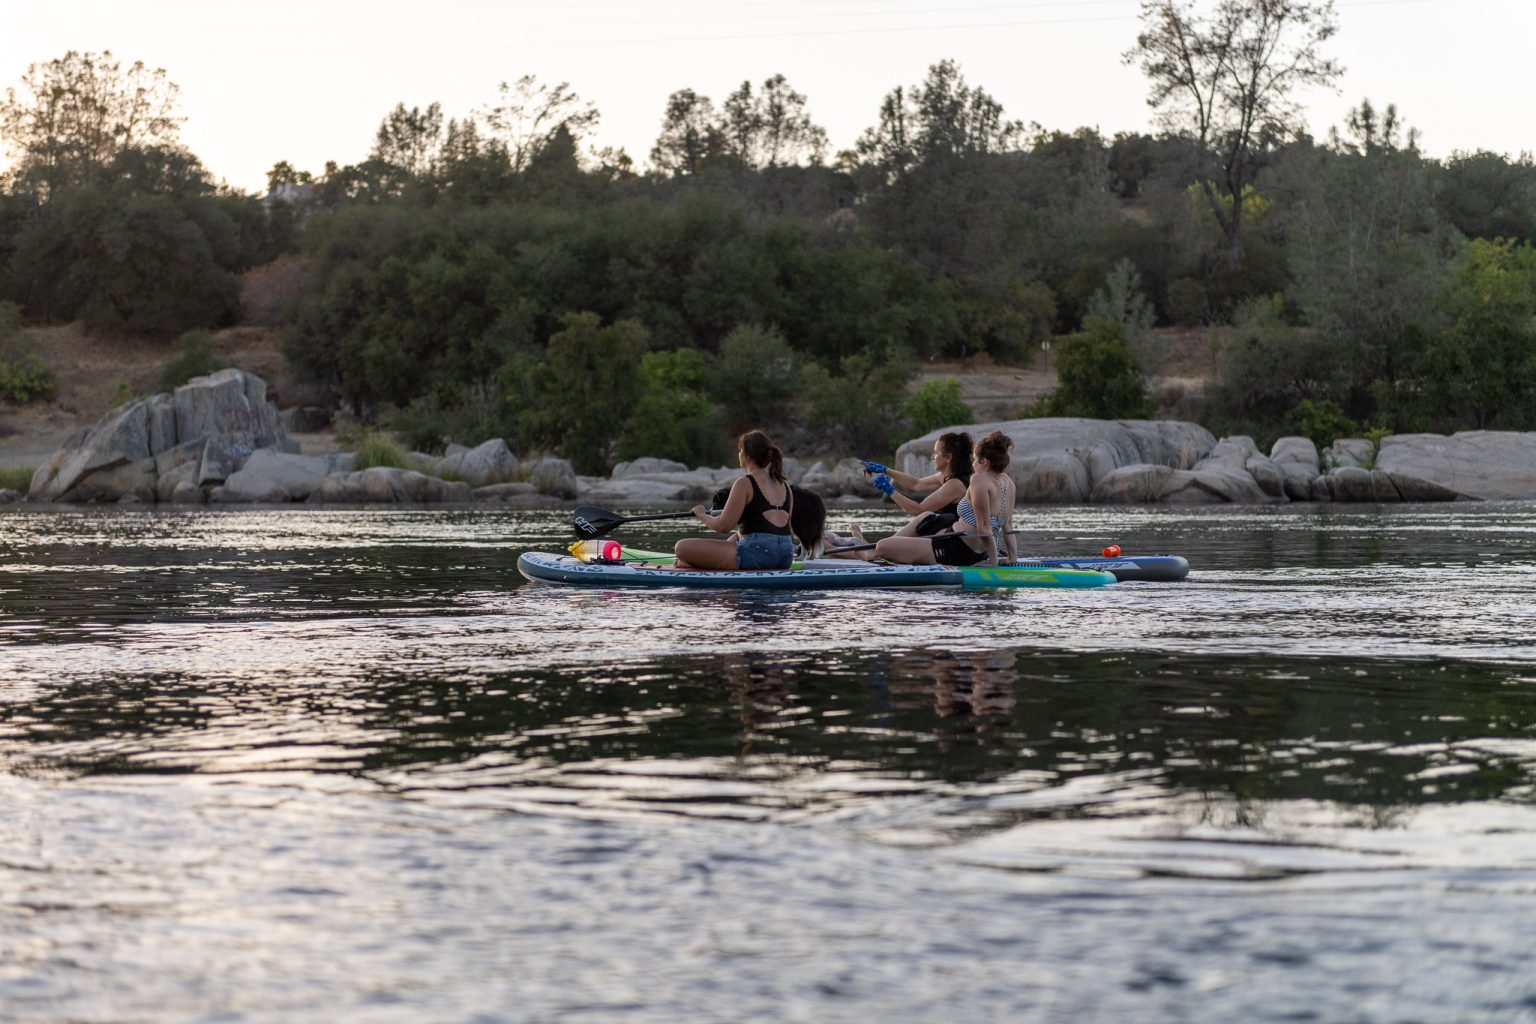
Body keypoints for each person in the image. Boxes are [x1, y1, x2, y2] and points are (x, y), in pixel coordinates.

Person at [876, 430, 1016, 567]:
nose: (972, 465)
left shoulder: (978, 480)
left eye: (975, 460)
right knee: (926, 519)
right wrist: (1012, 558)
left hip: (954, 549)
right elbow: (1008, 526)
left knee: (882, 546)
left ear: (984, 461)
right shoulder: (1008, 483)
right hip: (974, 550)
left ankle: (882, 554)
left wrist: (993, 563)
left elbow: (984, 527)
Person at [827, 431, 974, 559]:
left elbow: (918, 510)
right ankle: (866, 548)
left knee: (925, 516)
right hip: (942, 533)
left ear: (948, 457)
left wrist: (889, 490)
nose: (932, 456)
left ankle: (864, 549)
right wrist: (885, 470)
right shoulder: (947, 476)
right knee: (924, 520)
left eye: (935, 452)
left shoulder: (955, 485)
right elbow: (916, 484)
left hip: (951, 543)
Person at [675, 430, 795, 571]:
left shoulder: (744, 483)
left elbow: (723, 526)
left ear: (748, 455)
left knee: (681, 547)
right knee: (737, 535)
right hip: (786, 556)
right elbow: (778, 531)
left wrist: (701, 515)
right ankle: (702, 561)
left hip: (758, 556)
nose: (739, 454)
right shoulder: (785, 486)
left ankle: (694, 563)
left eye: (740, 450)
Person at [709, 482, 827, 559]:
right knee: (801, 528)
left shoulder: (743, 492)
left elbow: (725, 524)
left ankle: (807, 554)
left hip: (802, 504)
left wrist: (705, 516)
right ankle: (808, 554)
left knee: (800, 527)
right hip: (805, 503)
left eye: (715, 505)